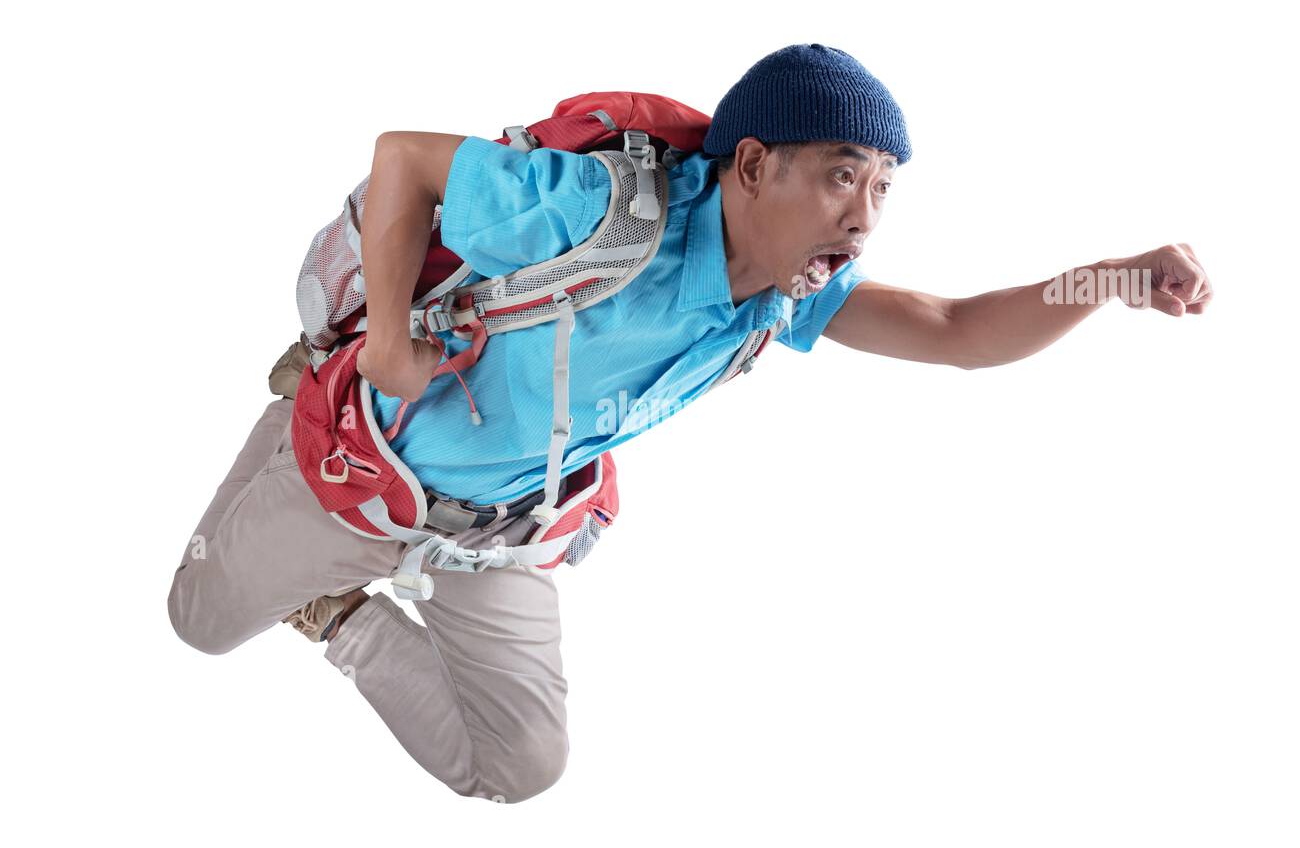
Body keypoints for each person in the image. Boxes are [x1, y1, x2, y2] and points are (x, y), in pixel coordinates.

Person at [167, 43, 1214, 804]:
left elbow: (951, 328)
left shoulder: (785, 295)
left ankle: (336, 616)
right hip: (373, 463)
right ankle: (311, 394)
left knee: (519, 768)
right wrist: (390, 343)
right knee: (200, 623)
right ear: (753, 165)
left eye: (884, 188)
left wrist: (1117, 279)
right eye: (843, 174)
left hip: (496, 534)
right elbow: (405, 158)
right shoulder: (599, 211)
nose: (865, 215)